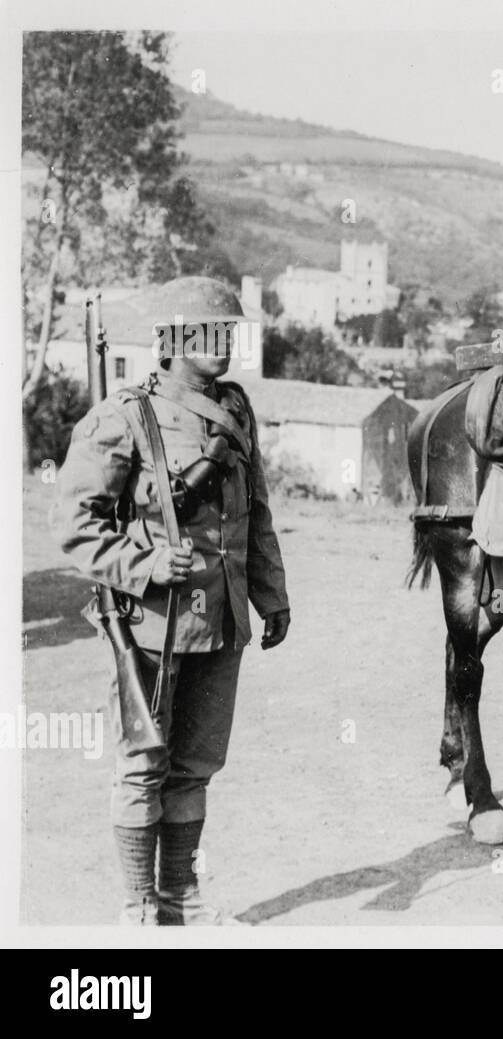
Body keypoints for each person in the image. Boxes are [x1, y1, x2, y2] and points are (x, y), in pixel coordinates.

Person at [54, 277, 290, 925]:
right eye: (207, 333)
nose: (223, 344)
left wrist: (273, 597)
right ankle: (137, 906)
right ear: (174, 340)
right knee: (142, 765)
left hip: (222, 622)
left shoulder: (235, 414)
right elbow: (75, 523)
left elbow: (258, 514)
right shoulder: (123, 417)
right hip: (152, 625)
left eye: (228, 333)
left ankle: (180, 896)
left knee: (196, 765)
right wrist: (149, 562)